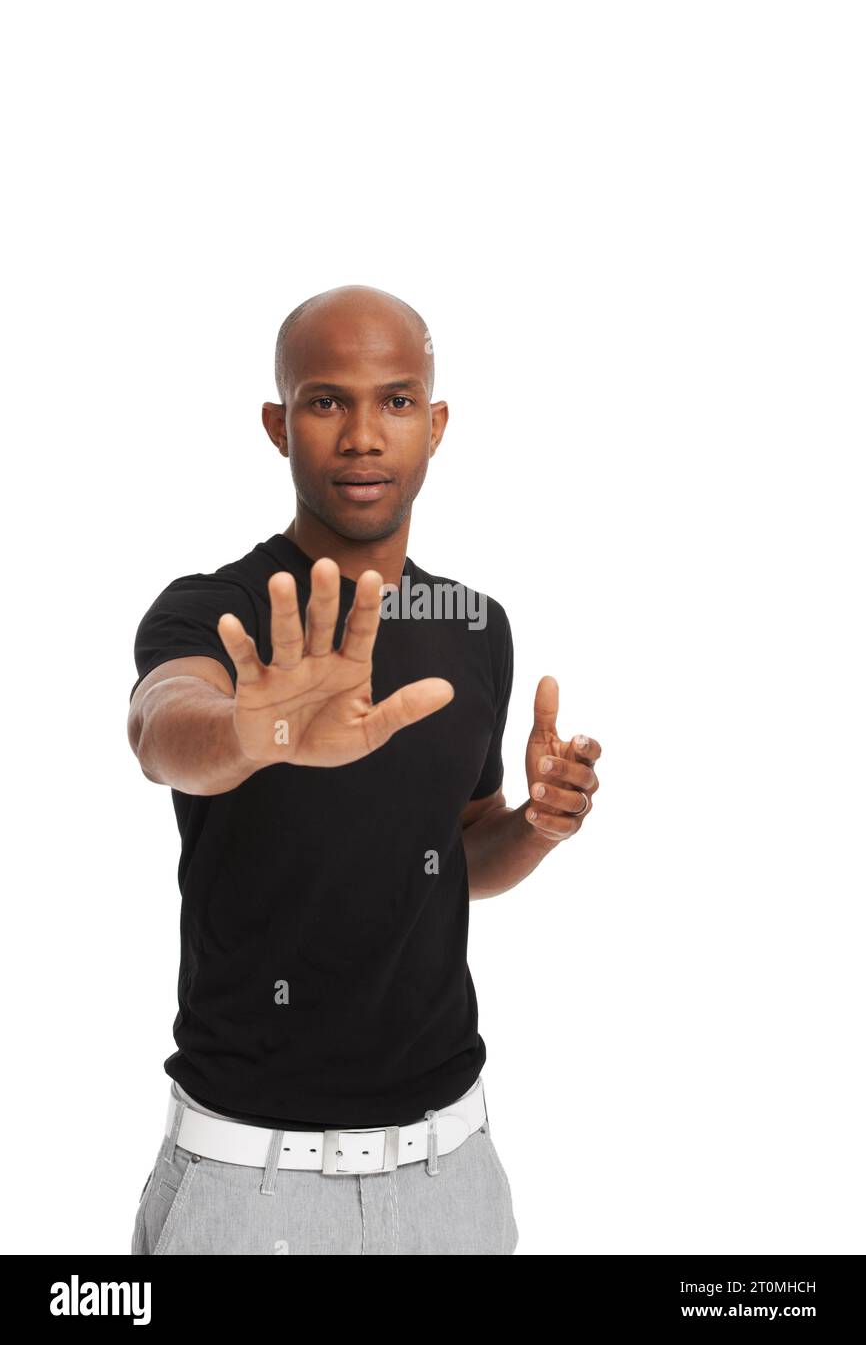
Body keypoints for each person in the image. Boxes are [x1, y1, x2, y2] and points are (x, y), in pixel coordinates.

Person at [126, 284, 601, 1255]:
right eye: (325, 400)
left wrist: (536, 827)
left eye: (393, 400)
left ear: (433, 425)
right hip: (251, 1187)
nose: (360, 435)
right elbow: (160, 726)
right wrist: (254, 735)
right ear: (278, 423)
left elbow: (458, 850)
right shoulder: (211, 610)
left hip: (451, 1177)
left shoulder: (474, 628)